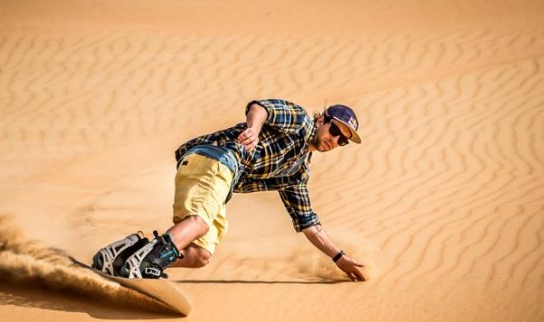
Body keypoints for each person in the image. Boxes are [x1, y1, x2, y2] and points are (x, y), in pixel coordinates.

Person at [92, 99, 367, 282]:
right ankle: (145, 265)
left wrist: (339, 258)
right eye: (334, 130)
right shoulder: (301, 121)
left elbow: (309, 224)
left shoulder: (297, 172)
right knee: (199, 223)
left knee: (200, 254)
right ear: (321, 120)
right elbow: (261, 107)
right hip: (217, 158)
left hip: (221, 178)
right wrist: (254, 129)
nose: (335, 139)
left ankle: (124, 255)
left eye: (342, 140)